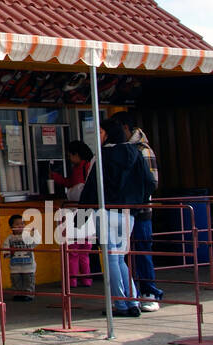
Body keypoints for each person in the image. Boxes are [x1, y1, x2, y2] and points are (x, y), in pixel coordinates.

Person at [80, 117, 155, 319]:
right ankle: (132, 301)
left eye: (102, 132)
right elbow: (150, 182)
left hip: (105, 212)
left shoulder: (102, 156)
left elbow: (91, 187)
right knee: (120, 258)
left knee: (112, 259)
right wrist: (137, 203)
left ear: (109, 134)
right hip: (128, 213)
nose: (99, 136)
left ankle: (121, 304)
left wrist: (80, 215)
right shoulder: (135, 152)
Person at [116, 111, 162, 311]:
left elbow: (153, 182)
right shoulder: (120, 149)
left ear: (126, 127)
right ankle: (131, 292)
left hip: (140, 210)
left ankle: (149, 291)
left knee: (142, 250)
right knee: (123, 253)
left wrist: (136, 198)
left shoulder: (143, 150)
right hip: (124, 210)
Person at [53, 141, 94, 288]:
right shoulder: (89, 166)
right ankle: (87, 279)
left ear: (76, 154)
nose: (69, 159)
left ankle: (72, 281)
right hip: (87, 213)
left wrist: (54, 177)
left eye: (70, 155)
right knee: (84, 252)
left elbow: (70, 184)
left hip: (74, 212)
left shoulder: (80, 168)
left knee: (73, 251)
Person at [2, 212, 38, 301]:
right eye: (17, 224)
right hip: (15, 266)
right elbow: (5, 250)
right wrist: (9, 252)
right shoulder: (9, 238)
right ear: (11, 227)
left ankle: (29, 295)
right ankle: (17, 294)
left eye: (22, 224)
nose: (20, 226)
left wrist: (35, 233)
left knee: (29, 281)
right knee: (16, 281)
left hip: (29, 265)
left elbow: (35, 243)